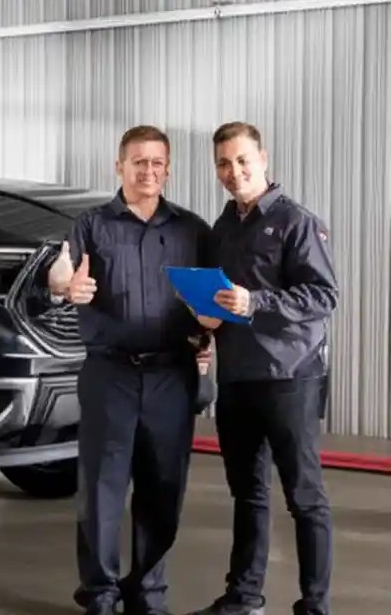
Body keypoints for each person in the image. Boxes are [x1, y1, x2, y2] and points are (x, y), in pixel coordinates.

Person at [48, 125, 215, 615]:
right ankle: (100, 595)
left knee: (163, 487)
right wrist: (65, 288)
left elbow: (214, 301)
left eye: (156, 162)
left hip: (172, 375)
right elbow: (60, 272)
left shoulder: (193, 230)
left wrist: (209, 339)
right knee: (102, 490)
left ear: (168, 169)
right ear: (118, 166)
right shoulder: (91, 226)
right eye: (137, 161)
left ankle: (147, 593)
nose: (148, 170)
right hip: (110, 376)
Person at [188, 122, 338, 615]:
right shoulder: (223, 227)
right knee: (248, 494)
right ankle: (244, 596)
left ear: (263, 158)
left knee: (304, 496)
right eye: (224, 164)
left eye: (242, 160)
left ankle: (315, 606)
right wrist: (204, 330)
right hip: (238, 378)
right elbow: (217, 297)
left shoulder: (296, 222)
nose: (234, 172)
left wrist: (257, 301)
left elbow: (323, 295)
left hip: (290, 377)